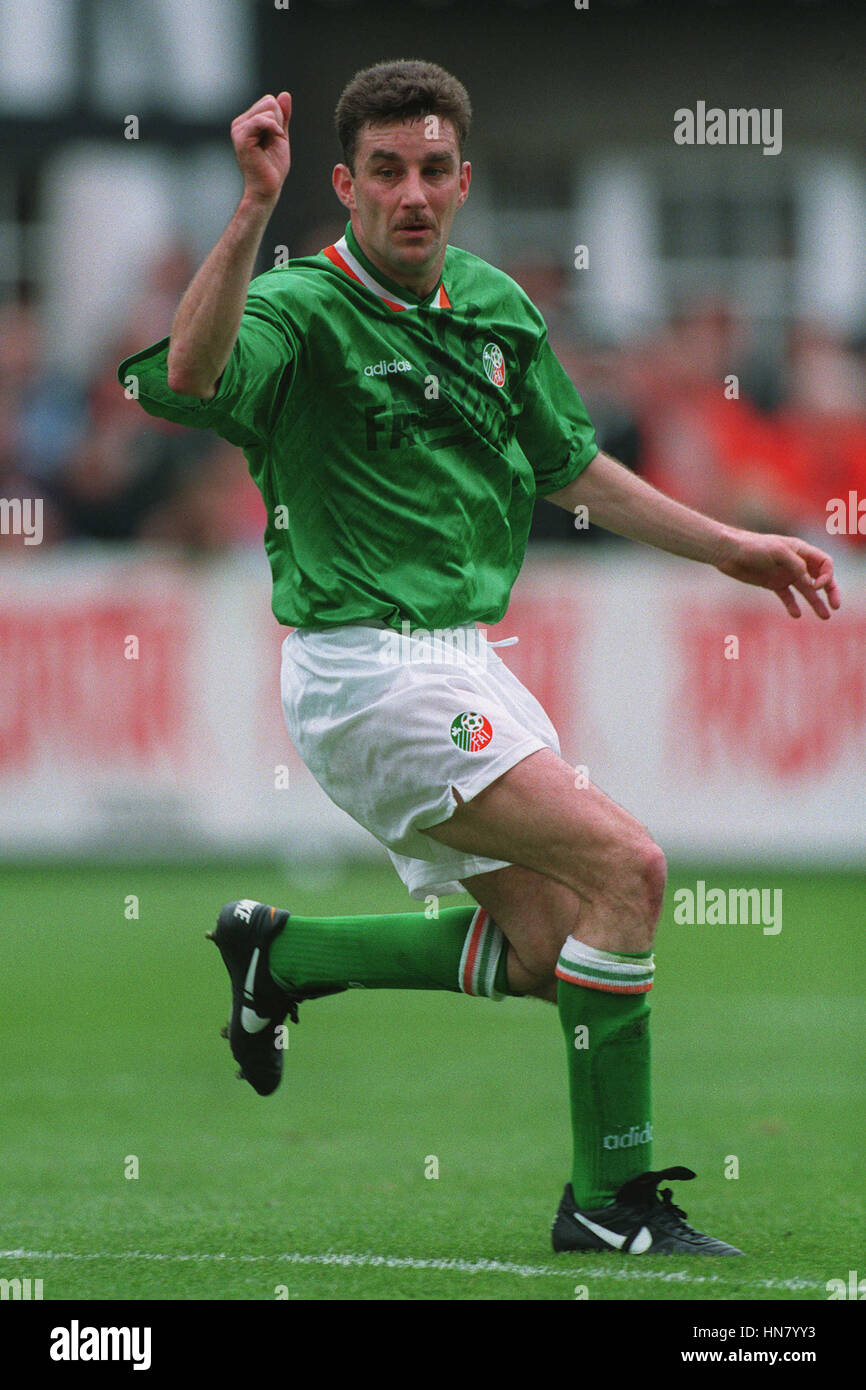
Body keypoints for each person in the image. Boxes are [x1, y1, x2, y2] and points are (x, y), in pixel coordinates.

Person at [118, 60, 840, 1257]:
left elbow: (567, 467)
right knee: (632, 868)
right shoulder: (300, 304)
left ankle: (281, 954)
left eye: (434, 169)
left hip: (462, 660)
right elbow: (187, 379)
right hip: (366, 671)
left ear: (463, 179)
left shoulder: (495, 307)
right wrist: (249, 208)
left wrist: (727, 549)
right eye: (386, 172)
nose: (413, 192)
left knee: (555, 952)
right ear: (343, 185)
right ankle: (606, 1206)